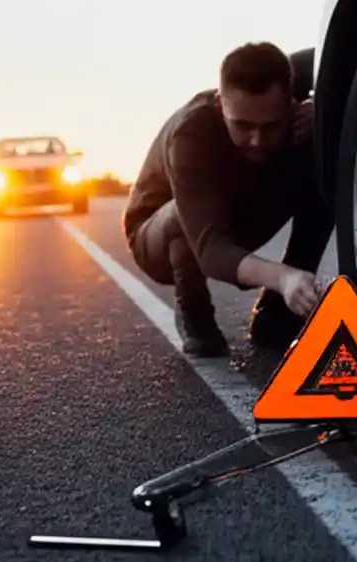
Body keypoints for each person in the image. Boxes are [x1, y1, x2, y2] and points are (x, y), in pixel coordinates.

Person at [123, 42, 332, 357]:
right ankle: (194, 309)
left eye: (271, 126)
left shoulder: (296, 74)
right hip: (165, 237)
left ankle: (278, 314)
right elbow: (211, 249)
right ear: (221, 106)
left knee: (325, 152)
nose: (257, 141)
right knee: (181, 215)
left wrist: (326, 107)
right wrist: (283, 278)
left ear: (291, 101)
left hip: (243, 208)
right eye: (243, 126)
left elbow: (354, 36)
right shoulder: (191, 134)